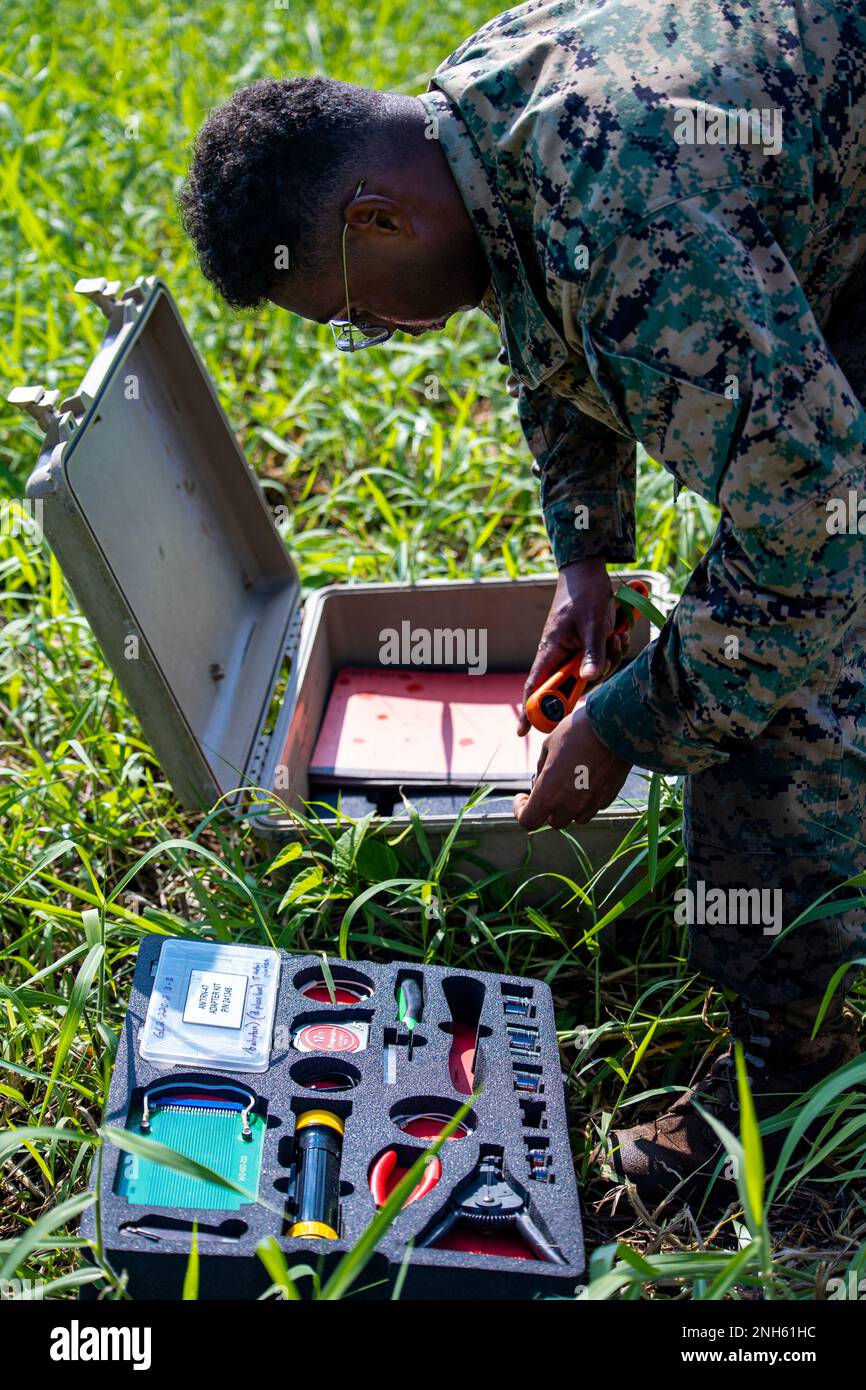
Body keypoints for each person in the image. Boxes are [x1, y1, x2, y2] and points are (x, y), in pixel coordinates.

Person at [180, 0, 866, 1198]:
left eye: (352, 315)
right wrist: (586, 554)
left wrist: (630, 726)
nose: (379, 332)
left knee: (773, 691)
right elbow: (548, 301)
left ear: (378, 217)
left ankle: (787, 1085)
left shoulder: (628, 200)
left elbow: (813, 544)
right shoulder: (479, 115)